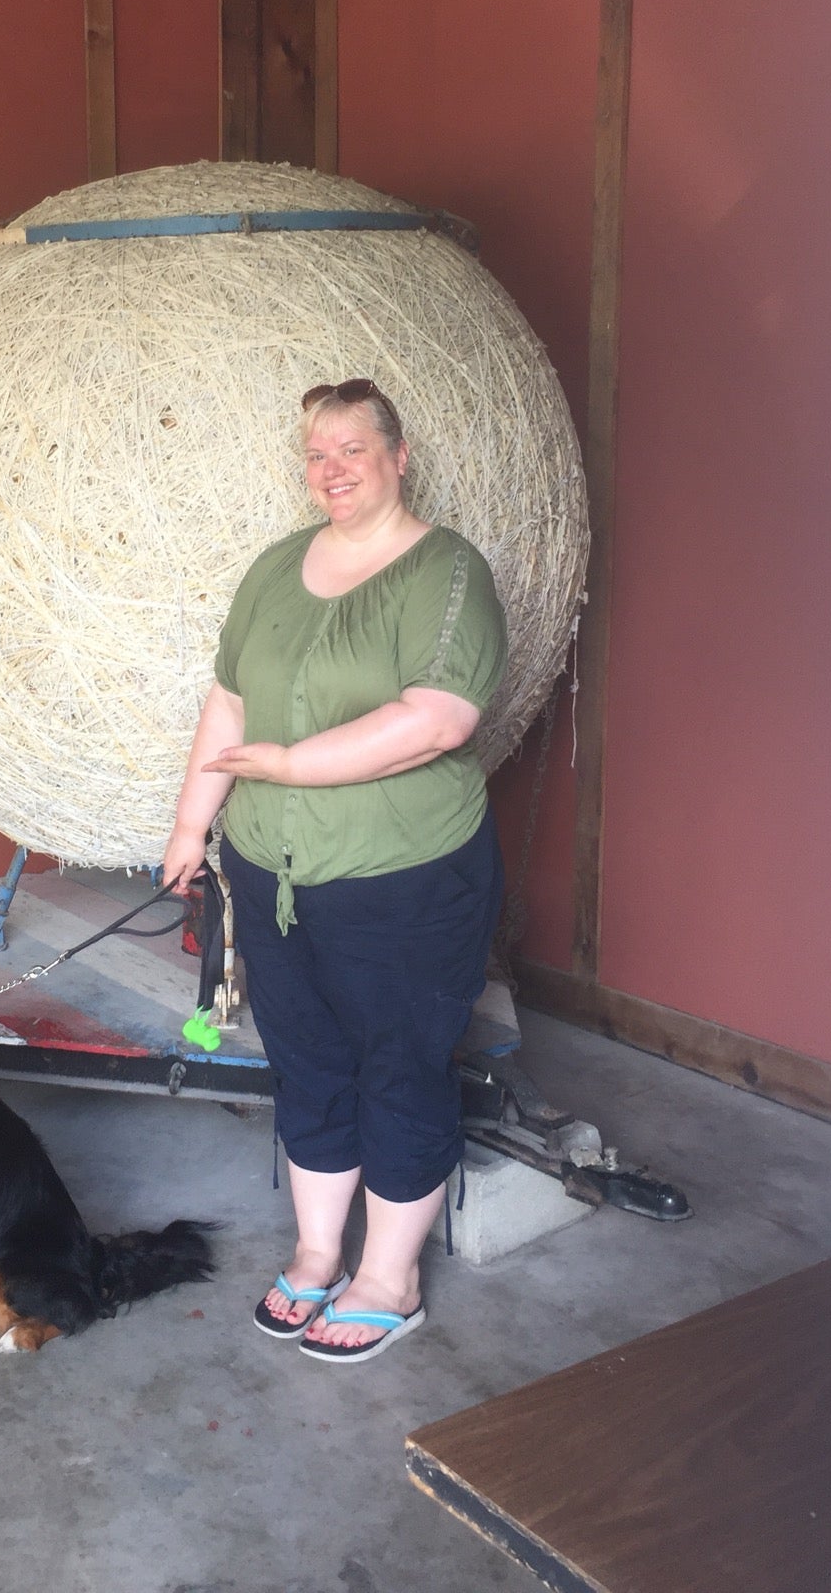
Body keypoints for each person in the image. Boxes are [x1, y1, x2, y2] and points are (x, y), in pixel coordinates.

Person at [163, 378, 507, 1363]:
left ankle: (388, 1280)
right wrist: (193, 825)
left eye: (353, 448)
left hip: (405, 876)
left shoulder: (446, 573)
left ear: (398, 458)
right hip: (275, 875)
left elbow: (437, 719)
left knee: (398, 1067)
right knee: (308, 1062)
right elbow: (228, 701)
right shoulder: (277, 567)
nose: (333, 469)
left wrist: (289, 767)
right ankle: (318, 1253)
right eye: (316, 453)